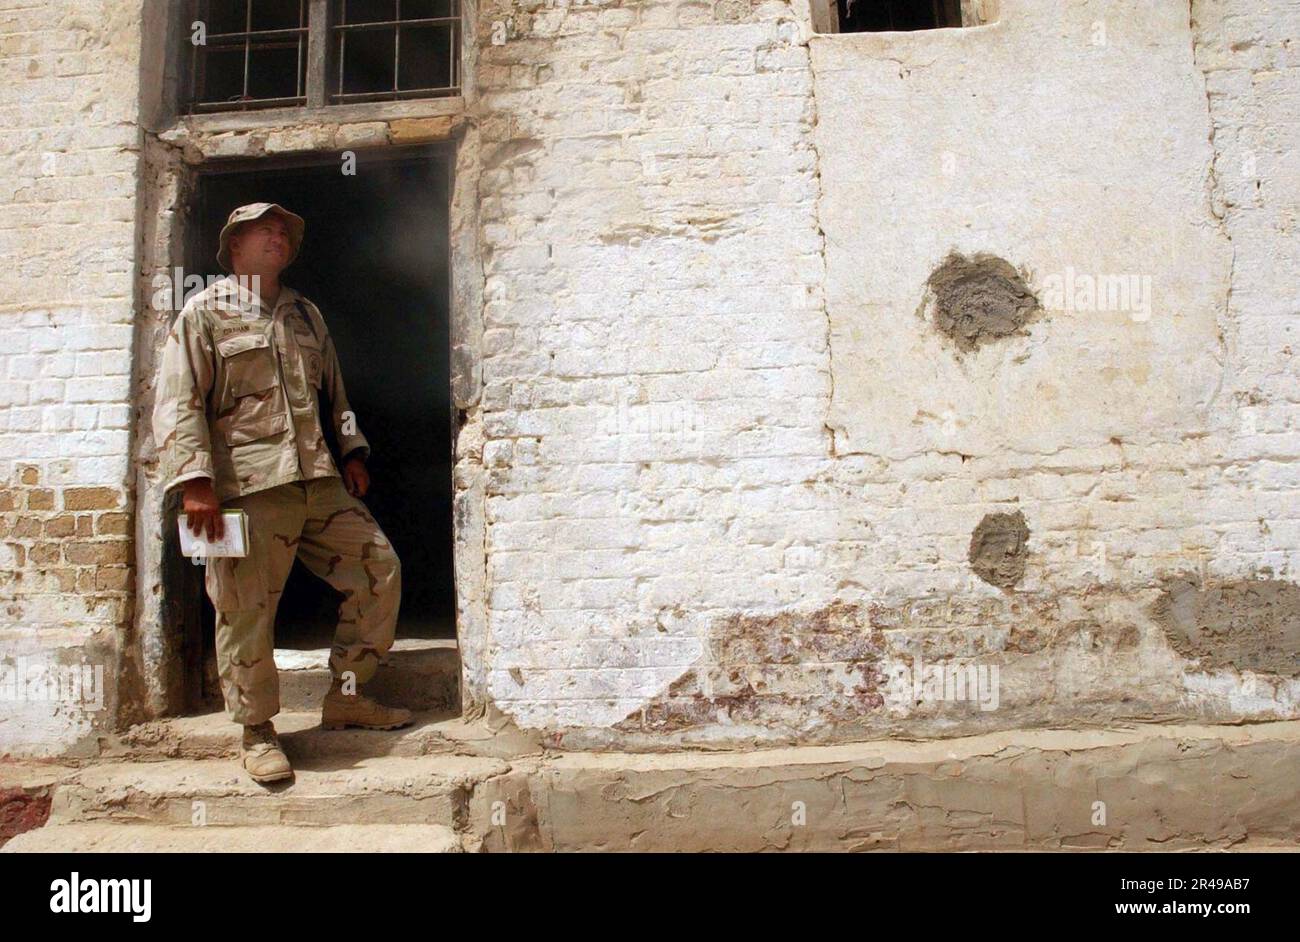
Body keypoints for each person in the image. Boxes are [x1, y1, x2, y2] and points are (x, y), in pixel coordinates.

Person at [152, 202, 412, 785]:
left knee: (379, 569)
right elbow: (178, 402)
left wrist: (352, 452)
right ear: (234, 245)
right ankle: (256, 731)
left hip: (315, 480)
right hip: (242, 486)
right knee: (244, 609)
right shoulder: (203, 313)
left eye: (285, 232)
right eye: (264, 230)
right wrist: (195, 485)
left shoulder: (304, 314)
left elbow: (335, 392)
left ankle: (348, 693)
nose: (278, 237)